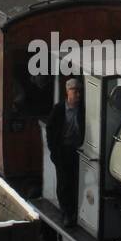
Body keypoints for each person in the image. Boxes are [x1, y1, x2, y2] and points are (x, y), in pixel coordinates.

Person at [46, 77, 85, 226]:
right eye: (75, 92)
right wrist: (53, 150)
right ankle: (66, 212)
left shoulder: (82, 110)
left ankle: (75, 211)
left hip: (77, 150)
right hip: (62, 150)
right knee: (64, 182)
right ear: (68, 92)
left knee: (75, 182)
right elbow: (50, 129)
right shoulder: (59, 109)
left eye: (79, 92)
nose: (78, 95)